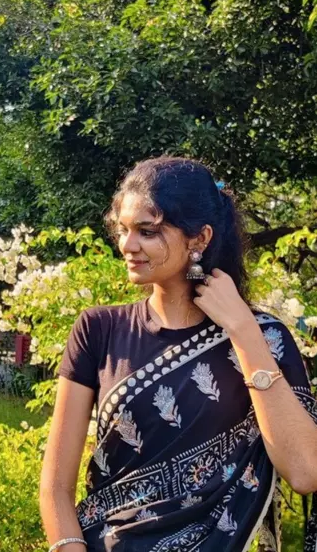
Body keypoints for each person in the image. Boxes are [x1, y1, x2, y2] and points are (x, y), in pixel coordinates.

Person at [39, 156, 317, 552]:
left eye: (147, 232)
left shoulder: (263, 337)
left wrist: (242, 331)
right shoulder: (98, 329)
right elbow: (55, 486)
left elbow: (306, 471)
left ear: (199, 238)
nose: (127, 245)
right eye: (123, 229)